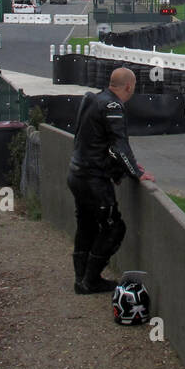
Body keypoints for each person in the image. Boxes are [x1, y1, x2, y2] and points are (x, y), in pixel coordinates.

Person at [67, 66, 155, 294]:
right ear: (129, 86)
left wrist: (118, 171)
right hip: (93, 179)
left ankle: (81, 280)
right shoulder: (113, 106)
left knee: (86, 224)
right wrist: (135, 171)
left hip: (76, 173)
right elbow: (119, 145)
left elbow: (93, 142)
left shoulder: (93, 99)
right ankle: (91, 280)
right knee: (114, 228)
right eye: (133, 87)